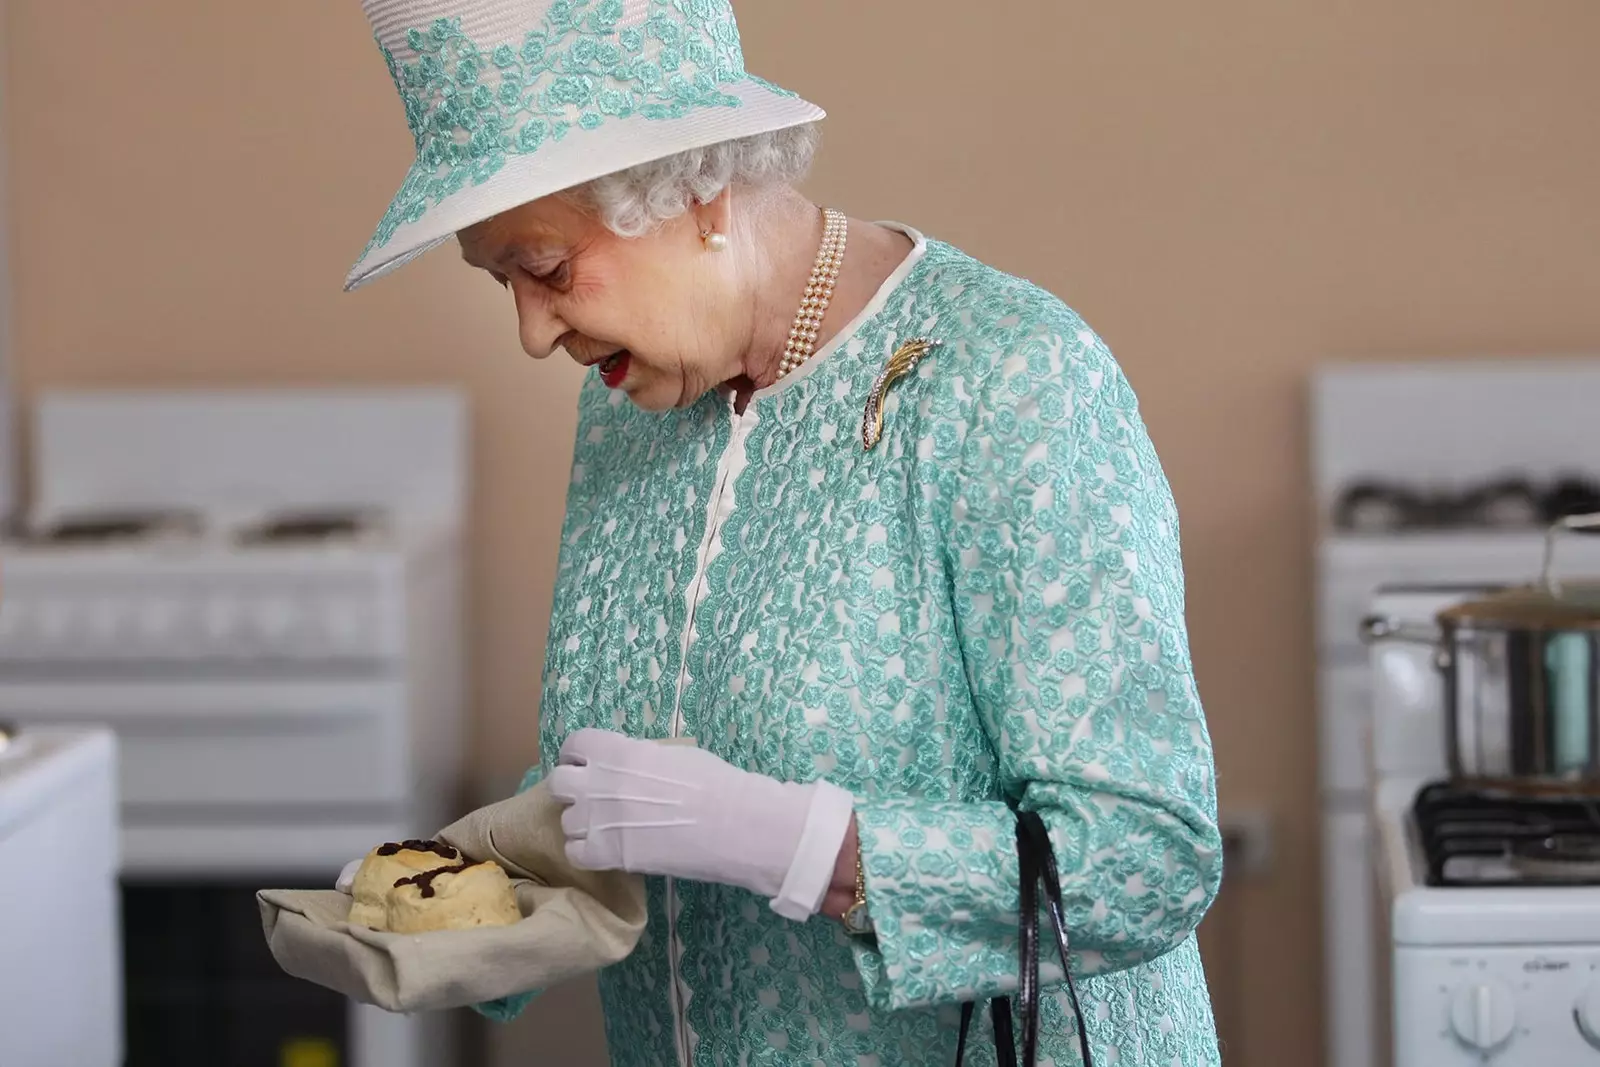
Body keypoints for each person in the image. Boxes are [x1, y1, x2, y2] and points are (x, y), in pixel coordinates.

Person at [342, 1, 1223, 1064]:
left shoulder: (1011, 379)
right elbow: (629, 803)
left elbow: (1147, 855)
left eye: (546, 268)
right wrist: (459, 882)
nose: (533, 332)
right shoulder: (627, 411)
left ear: (701, 194)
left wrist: (802, 844)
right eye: (500, 282)